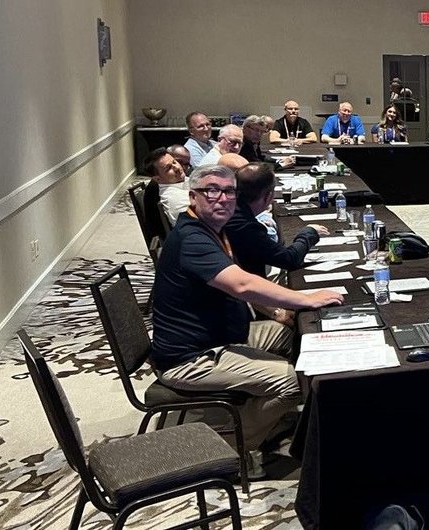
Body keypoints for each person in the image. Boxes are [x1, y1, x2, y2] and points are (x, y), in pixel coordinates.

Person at [151, 165, 343, 477]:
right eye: (211, 190)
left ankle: (273, 416)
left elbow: (239, 284)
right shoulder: (192, 239)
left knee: (296, 333)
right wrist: (305, 299)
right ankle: (228, 449)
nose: (222, 198)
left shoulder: (214, 229)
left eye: (229, 191)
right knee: (294, 381)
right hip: (190, 357)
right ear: (193, 197)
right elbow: (242, 285)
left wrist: (281, 313)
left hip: (223, 334)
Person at [226, 162, 328, 282]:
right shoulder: (246, 227)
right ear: (269, 196)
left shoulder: (230, 211)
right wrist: (309, 233)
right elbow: (289, 259)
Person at [141, 147, 189, 231]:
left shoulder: (180, 181)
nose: (177, 167)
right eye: (169, 168)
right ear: (158, 179)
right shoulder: (173, 197)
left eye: (174, 162)